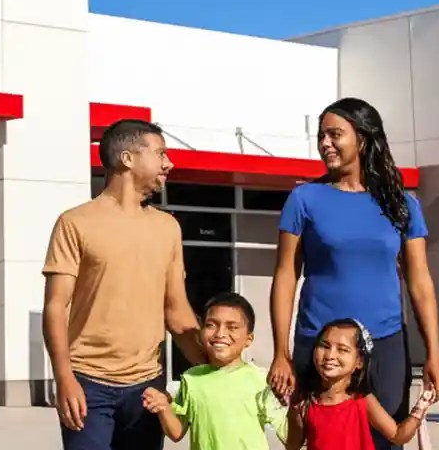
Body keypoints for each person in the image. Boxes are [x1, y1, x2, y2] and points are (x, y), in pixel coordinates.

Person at [268, 97, 439, 450]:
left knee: (386, 441)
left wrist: (434, 353)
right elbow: (285, 275)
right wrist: (280, 352)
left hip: (386, 345)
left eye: (335, 134)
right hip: (320, 345)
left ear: (363, 139)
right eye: (321, 136)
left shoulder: (403, 204)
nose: (325, 144)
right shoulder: (304, 199)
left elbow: (420, 281)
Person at [43, 119, 204, 450]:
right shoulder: (75, 222)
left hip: (146, 387)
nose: (169, 163)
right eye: (160, 153)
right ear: (127, 158)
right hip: (87, 383)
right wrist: (64, 378)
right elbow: (56, 306)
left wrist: (216, 369)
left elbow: (177, 313)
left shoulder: (167, 227)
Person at [140, 292, 290, 449]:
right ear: (201, 332)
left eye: (232, 327)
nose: (220, 334)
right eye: (211, 325)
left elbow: (289, 437)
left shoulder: (261, 380)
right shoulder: (192, 378)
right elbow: (176, 433)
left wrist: (297, 409)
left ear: (248, 339)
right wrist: (163, 407)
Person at [284, 319, 437, 450]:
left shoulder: (362, 401)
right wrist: (294, 411)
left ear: (359, 361)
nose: (330, 355)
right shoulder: (307, 402)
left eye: (342, 350)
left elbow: (397, 435)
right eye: (324, 346)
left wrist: (420, 409)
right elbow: (293, 445)